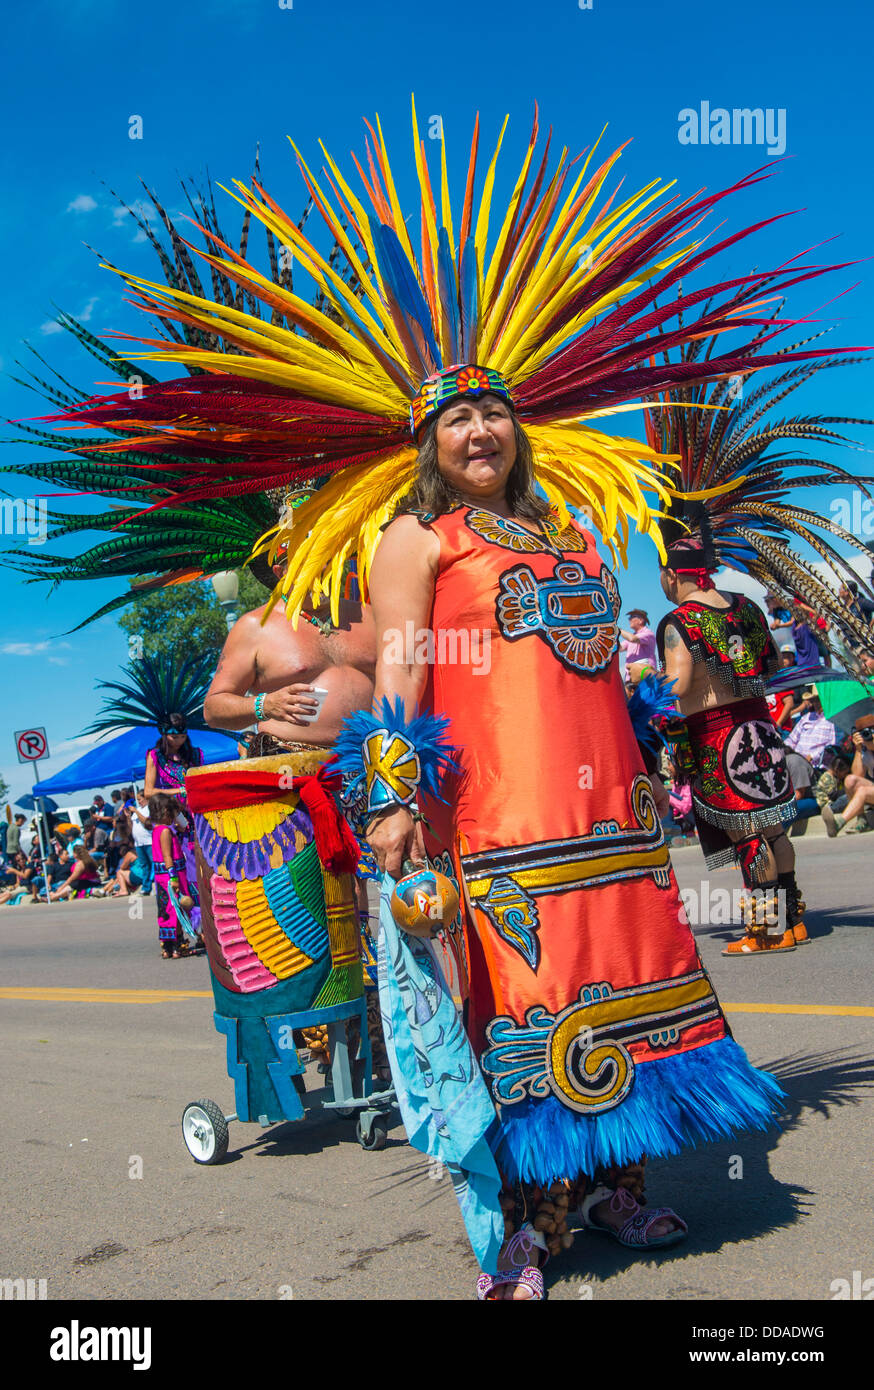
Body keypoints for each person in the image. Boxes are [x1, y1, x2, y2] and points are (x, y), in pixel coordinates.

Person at [351, 370, 784, 1300]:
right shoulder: (415, 539)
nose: (479, 431)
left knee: (632, 989)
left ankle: (616, 1191)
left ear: (518, 428)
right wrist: (390, 795)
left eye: (493, 412)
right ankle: (527, 1230)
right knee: (527, 1012)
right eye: (456, 418)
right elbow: (403, 668)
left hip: (613, 814)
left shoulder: (573, 533)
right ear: (429, 442)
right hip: (502, 821)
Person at [657, 535, 807, 955]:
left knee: (747, 833)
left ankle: (767, 930)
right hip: (760, 729)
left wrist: (645, 682)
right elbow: (773, 662)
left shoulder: (680, 622)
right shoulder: (747, 607)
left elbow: (679, 686)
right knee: (773, 828)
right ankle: (792, 922)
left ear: (671, 575)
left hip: (719, 737)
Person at [143, 715, 204, 927]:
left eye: (181, 735)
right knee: (182, 869)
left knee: (202, 868)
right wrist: (177, 791)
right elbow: (148, 791)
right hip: (173, 818)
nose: (177, 740)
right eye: (173, 736)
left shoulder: (195, 755)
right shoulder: (155, 756)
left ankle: (207, 924)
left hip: (197, 817)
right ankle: (188, 927)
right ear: (164, 734)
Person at [149, 792, 195, 959]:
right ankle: (178, 946)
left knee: (167, 910)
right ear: (166, 812)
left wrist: (177, 812)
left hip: (162, 878)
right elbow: (167, 856)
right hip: (172, 876)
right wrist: (173, 878)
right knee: (176, 910)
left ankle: (167, 947)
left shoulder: (157, 830)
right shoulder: (166, 832)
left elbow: (183, 826)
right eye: (171, 812)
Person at [820, 718, 874, 836]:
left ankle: (839, 823)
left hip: (869, 791)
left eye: (871, 730)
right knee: (850, 780)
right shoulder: (864, 748)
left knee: (863, 791)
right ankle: (862, 820)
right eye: (864, 733)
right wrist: (859, 750)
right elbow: (857, 775)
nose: (869, 735)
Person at [785, 687, 838, 769]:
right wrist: (785, 749)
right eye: (813, 700)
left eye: (818, 700)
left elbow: (832, 745)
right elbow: (791, 739)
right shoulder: (806, 718)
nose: (816, 703)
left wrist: (812, 756)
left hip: (816, 765)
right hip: (796, 760)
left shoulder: (833, 720)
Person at [129, 791, 154, 894]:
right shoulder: (137, 810)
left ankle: (155, 884)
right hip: (139, 843)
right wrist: (128, 816)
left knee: (153, 864)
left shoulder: (149, 809)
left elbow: (146, 822)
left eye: (139, 799)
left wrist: (136, 812)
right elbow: (132, 826)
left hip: (149, 841)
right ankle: (146, 887)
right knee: (144, 865)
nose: (138, 802)